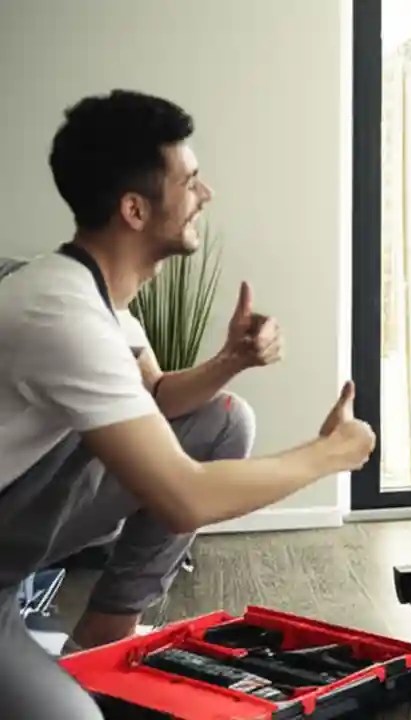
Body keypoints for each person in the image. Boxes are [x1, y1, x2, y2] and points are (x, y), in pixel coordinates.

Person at [0, 89, 376, 718]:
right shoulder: (62, 312)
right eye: (191, 181)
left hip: (13, 535)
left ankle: (105, 634)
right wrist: (330, 454)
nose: (206, 195)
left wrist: (232, 359)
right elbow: (185, 496)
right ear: (135, 210)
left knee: (221, 420)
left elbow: (154, 394)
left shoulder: (95, 293)